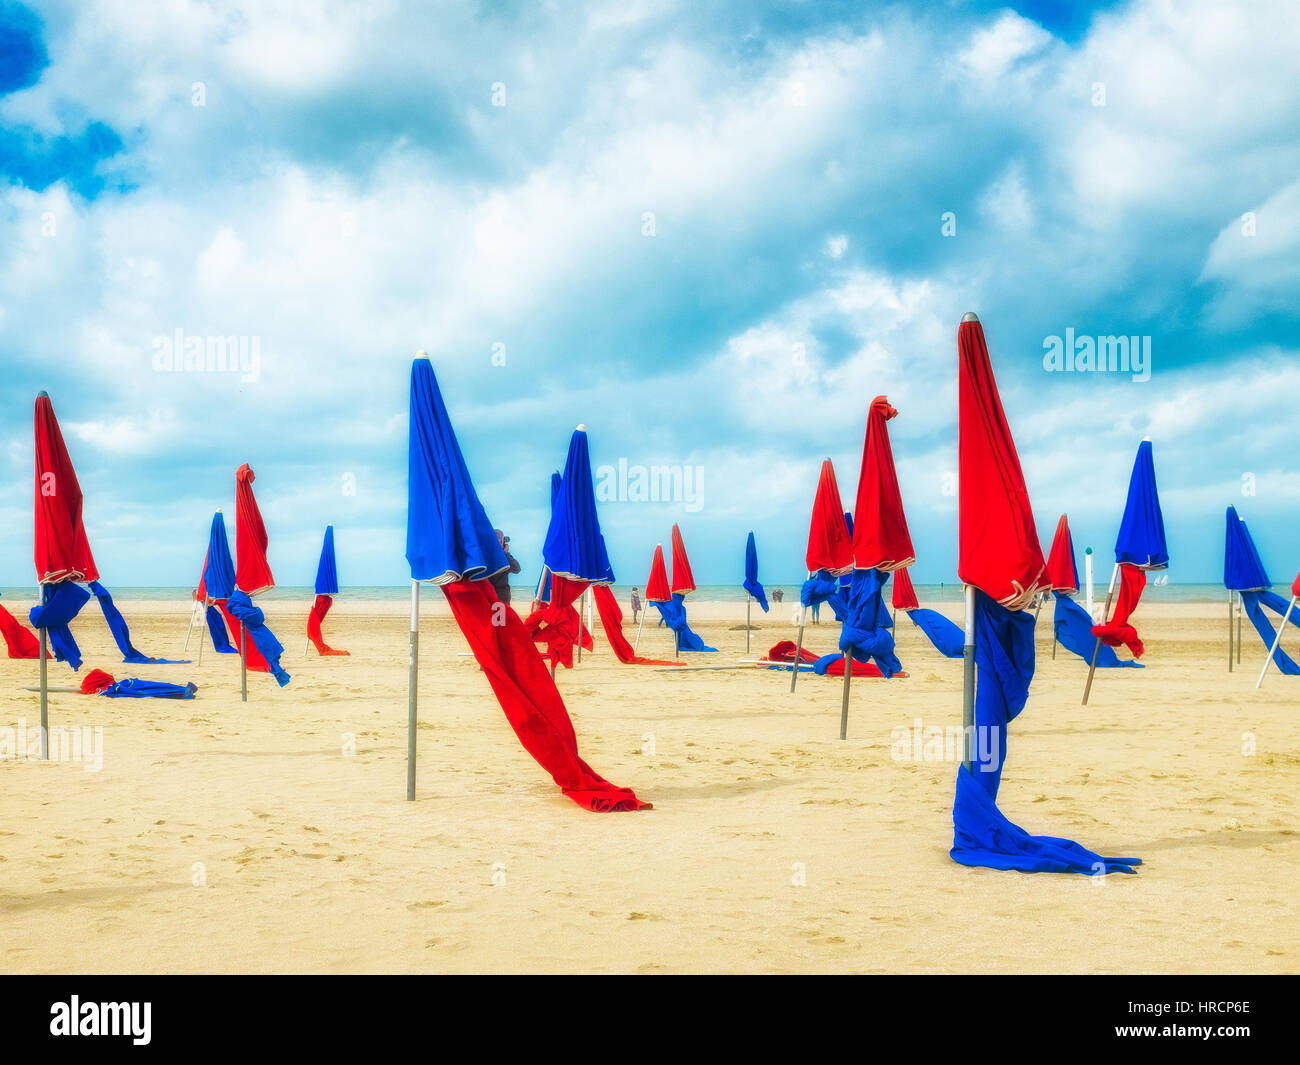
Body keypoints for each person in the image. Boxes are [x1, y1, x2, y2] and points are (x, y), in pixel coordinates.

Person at [489, 529, 522, 603]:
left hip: (488, 596)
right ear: (501, 541)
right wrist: (505, 553)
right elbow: (517, 569)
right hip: (501, 597)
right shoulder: (504, 557)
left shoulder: (483, 555)